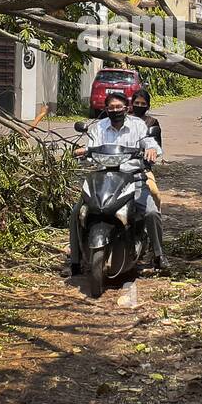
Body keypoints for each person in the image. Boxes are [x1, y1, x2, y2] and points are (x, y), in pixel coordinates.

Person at [69, 91, 166, 275]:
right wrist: (82, 152)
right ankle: (75, 260)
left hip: (133, 178)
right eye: (111, 108)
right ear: (106, 109)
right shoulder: (99, 127)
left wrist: (151, 150)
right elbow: (90, 147)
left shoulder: (138, 125)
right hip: (103, 178)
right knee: (76, 212)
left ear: (126, 108)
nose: (115, 111)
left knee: (151, 212)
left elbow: (150, 143)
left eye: (118, 107)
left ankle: (159, 255)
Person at [131, 89, 163, 208]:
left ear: (148, 106)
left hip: (141, 168)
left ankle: (155, 216)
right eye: (137, 103)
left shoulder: (152, 122)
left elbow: (156, 146)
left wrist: (150, 152)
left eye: (143, 104)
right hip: (119, 165)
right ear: (131, 104)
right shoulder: (124, 121)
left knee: (154, 193)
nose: (139, 106)